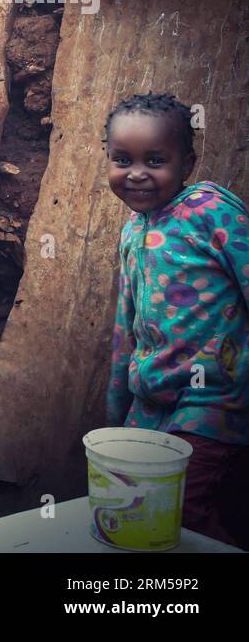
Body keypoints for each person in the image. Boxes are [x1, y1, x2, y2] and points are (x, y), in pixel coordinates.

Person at [104, 92, 249, 547]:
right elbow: (125, 323)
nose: (137, 173)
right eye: (122, 159)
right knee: (125, 497)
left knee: (182, 508)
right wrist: (115, 409)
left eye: (155, 160)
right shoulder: (133, 229)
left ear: (187, 163)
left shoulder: (211, 212)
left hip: (213, 399)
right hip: (151, 398)